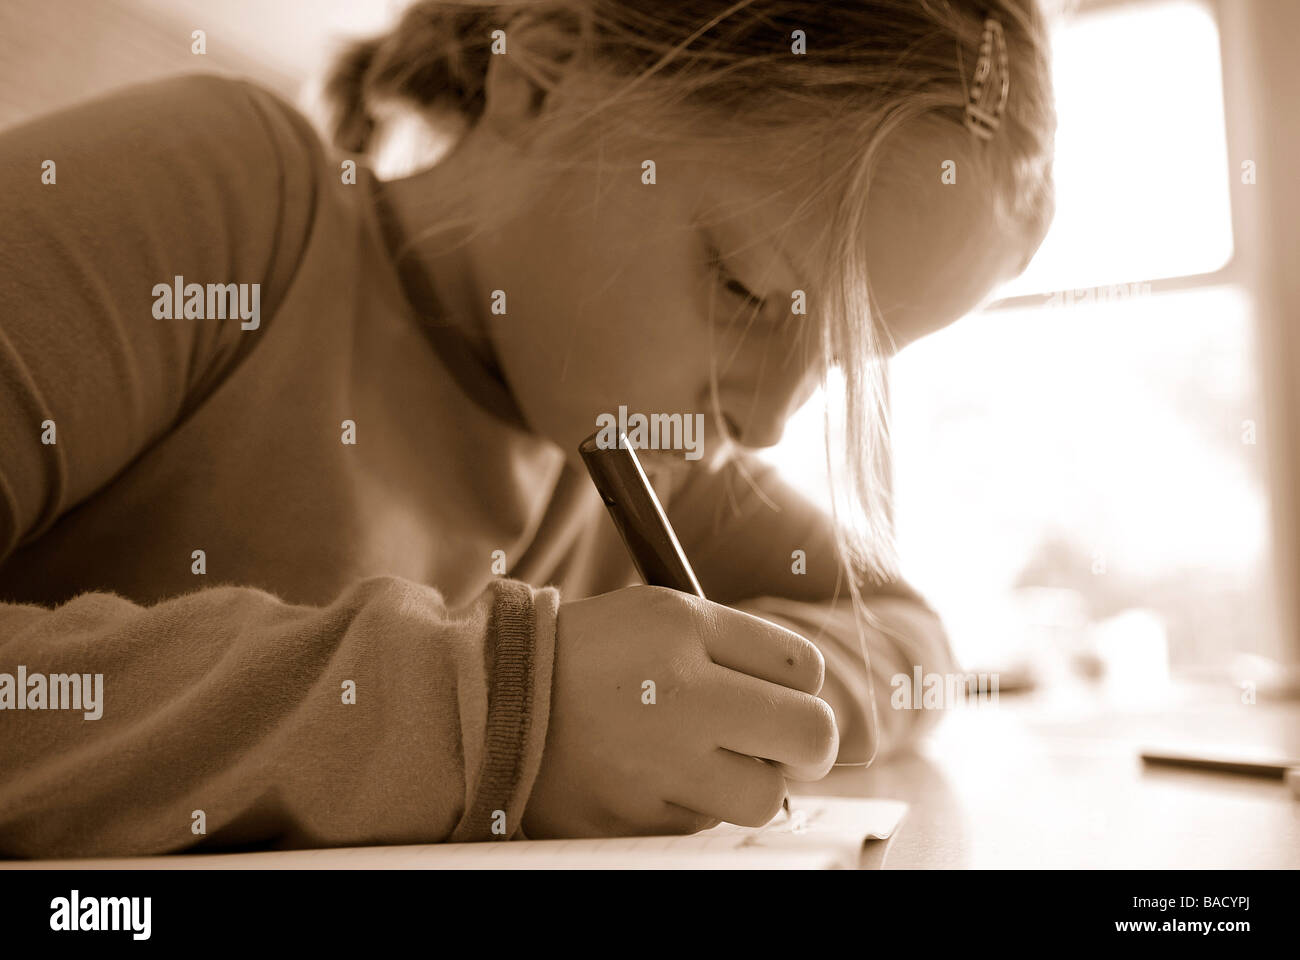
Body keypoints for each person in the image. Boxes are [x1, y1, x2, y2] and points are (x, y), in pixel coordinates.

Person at [0, 0, 1054, 857]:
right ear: (541, 75)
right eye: (744, 288)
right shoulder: (226, 196)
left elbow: (900, 629)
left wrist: (728, 707)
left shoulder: (643, 453)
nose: (768, 421)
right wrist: (500, 712)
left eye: (834, 361)